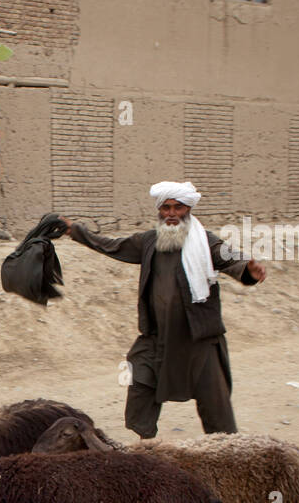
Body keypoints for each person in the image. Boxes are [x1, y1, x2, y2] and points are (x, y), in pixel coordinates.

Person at [60, 181, 266, 439]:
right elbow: (111, 245)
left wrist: (248, 270)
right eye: (166, 208)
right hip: (156, 337)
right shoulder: (148, 241)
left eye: (177, 208)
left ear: (188, 209)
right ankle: (145, 446)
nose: (171, 213)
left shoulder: (205, 241)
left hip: (199, 339)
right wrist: (74, 231)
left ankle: (228, 453)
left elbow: (228, 256)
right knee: (139, 377)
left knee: (216, 406)